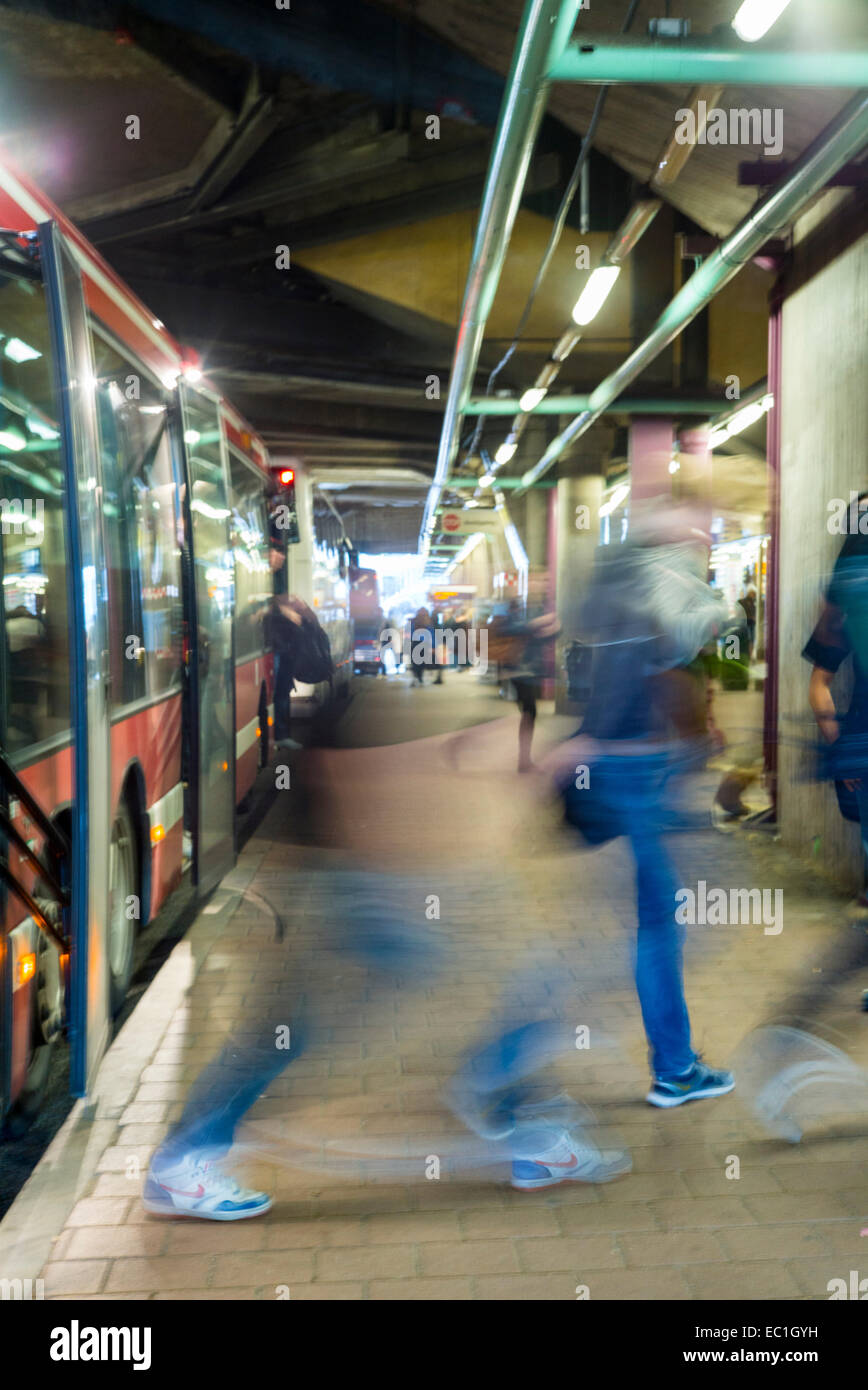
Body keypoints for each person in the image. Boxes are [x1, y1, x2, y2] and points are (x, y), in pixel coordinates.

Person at [548, 502, 735, 1109]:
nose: (702, 540)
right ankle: (674, 1070)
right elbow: (662, 665)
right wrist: (696, 737)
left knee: (657, 917)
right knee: (661, 925)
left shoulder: (611, 587)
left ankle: (675, 1064)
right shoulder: (663, 585)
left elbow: (605, 669)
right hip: (643, 769)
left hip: (619, 767)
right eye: (695, 531)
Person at [501, 572, 560, 773]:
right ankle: (523, 759)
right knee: (529, 712)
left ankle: (524, 758)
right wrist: (534, 625)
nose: (541, 585)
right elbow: (507, 629)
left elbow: (543, 637)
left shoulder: (542, 608)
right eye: (538, 581)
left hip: (531, 670)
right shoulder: (518, 606)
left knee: (530, 713)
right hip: (517, 669)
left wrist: (554, 630)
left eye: (544, 582)